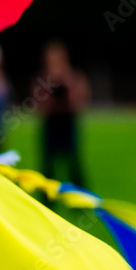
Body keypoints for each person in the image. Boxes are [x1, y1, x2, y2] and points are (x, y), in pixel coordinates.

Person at [33, 42, 90, 188]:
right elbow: (39, 106)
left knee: (74, 162)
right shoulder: (43, 79)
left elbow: (80, 103)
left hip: (68, 123)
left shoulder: (74, 77)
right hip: (51, 123)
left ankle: (79, 196)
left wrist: (66, 83)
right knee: (48, 164)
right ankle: (48, 197)